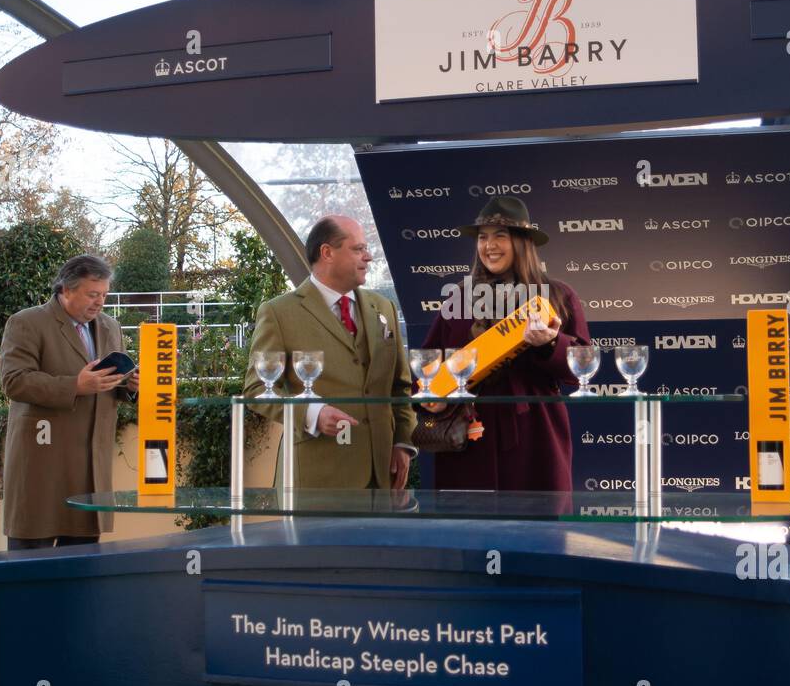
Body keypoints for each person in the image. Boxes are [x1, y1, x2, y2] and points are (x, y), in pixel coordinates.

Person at [420, 196, 589, 491]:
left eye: (500, 236)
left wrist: (550, 344)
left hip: (535, 435)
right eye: (483, 237)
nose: (489, 245)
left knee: (540, 529)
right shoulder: (458, 297)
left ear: (523, 242)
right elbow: (426, 365)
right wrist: (430, 394)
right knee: (470, 531)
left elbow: (582, 367)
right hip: (469, 438)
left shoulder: (558, 296)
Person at [244, 216, 416, 489]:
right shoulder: (279, 313)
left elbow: (400, 386)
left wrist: (403, 442)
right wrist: (312, 413)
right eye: (358, 249)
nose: (368, 257)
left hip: (384, 478)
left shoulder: (383, 308)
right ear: (327, 253)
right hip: (316, 482)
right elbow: (256, 389)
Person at [0, 255, 139, 550]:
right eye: (92, 294)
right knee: (29, 570)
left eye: (103, 294)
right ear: (65, 290)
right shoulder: (26, 322)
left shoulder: (111, 327)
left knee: (81, 567)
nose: (99, 302)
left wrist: (130, 387)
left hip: (91, 466)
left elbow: (111, 382)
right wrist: (74, 385)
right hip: (41, 463)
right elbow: (14, 381)